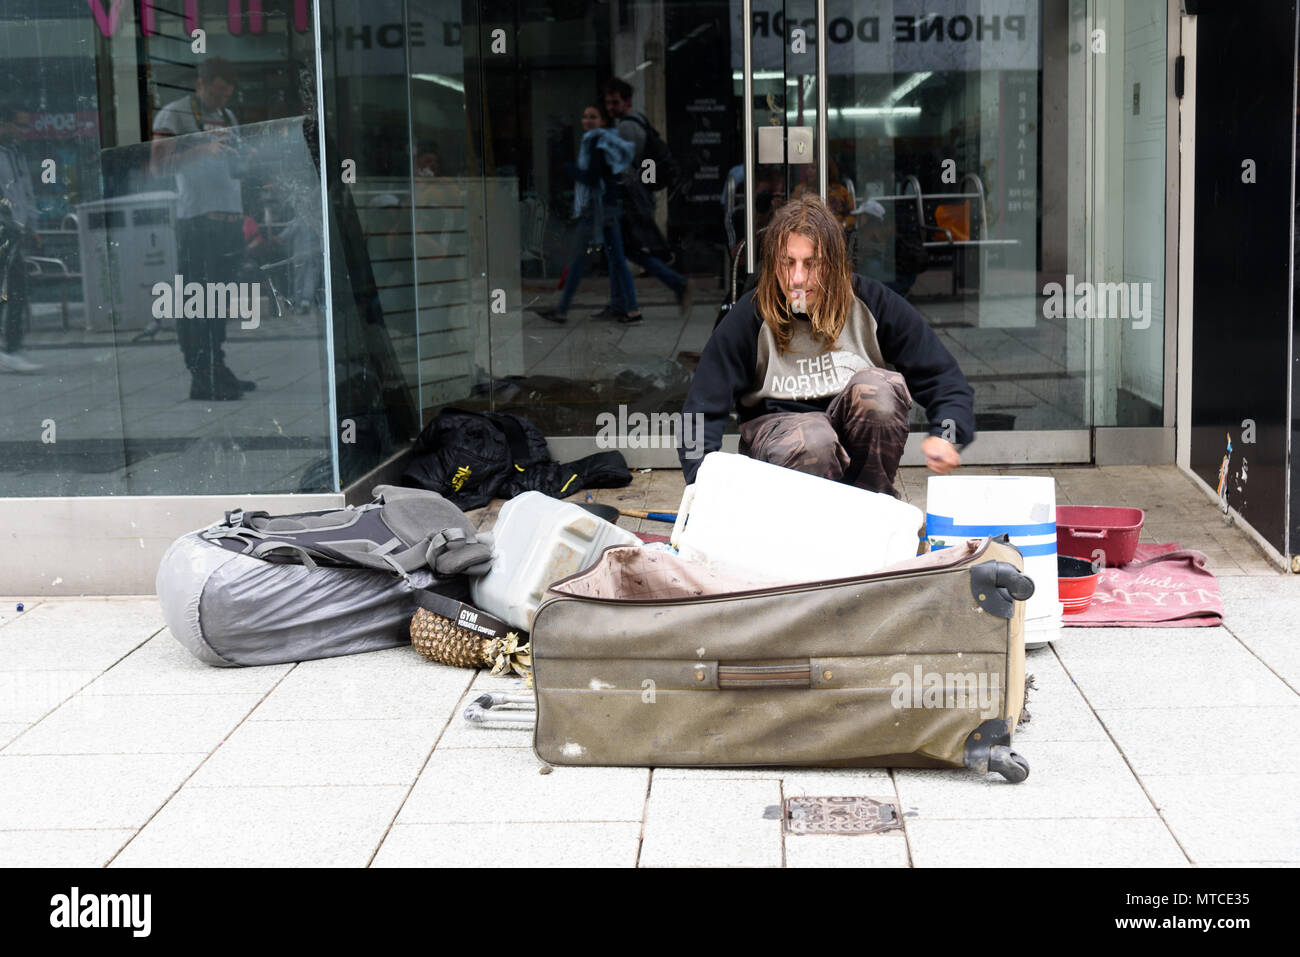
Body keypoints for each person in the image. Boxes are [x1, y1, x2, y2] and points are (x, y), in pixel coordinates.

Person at [679, 194, 972, 495]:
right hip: (784, 441)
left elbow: (945, 379)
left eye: (811, 264)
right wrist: (701, 485)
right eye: (787, 263)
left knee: (880, 392)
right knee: (814, 438)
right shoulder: (751, 315)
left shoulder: (872, 302)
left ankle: (869, 507)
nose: (797, 278)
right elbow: (700, 409)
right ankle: (805, 525)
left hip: (852, 441)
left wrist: (947, 435)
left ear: (834, 265)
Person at [150, 57, 256, 400]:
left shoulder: (228, 117)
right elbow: (159, 167)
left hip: (229, 220)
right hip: (197, 221)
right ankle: (200, 374)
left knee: (220, 301)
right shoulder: (173, 115)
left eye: (228, 93)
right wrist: (202, 150)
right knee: (196, 302)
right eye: (218, 91)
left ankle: (217, 366)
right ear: (201, 83)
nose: (223, 99)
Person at [535, 104, 639, 324]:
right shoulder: (603, 141)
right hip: (606, 207)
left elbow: (593, 178)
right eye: (585, 117)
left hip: (598, 208)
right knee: (616, 259)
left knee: (580, 259)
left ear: (602, 121)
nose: (588, 120)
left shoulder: (596, 142)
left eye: (593, 116)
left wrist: (571, 170)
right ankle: (632, 309)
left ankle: (562, 310)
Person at [602, 79, 692, 318]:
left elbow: (623, 168)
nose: (610, 107)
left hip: (629, 202)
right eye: (608, 102)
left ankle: (627, 303)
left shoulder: (627, 129)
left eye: (615, 102)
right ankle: (621, 303)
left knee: (623, 251)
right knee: (624, 252)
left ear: (627, 101)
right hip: (634, 200)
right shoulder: (637, 121)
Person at [0, 105, 42, 374]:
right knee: (11, 290)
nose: (24, 132)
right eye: (20, 125)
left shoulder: (16, 154)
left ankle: (12, 348)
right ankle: (11, 350)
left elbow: (25, 193)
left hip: (15, 232)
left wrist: (32, 227)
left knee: (16, 291)